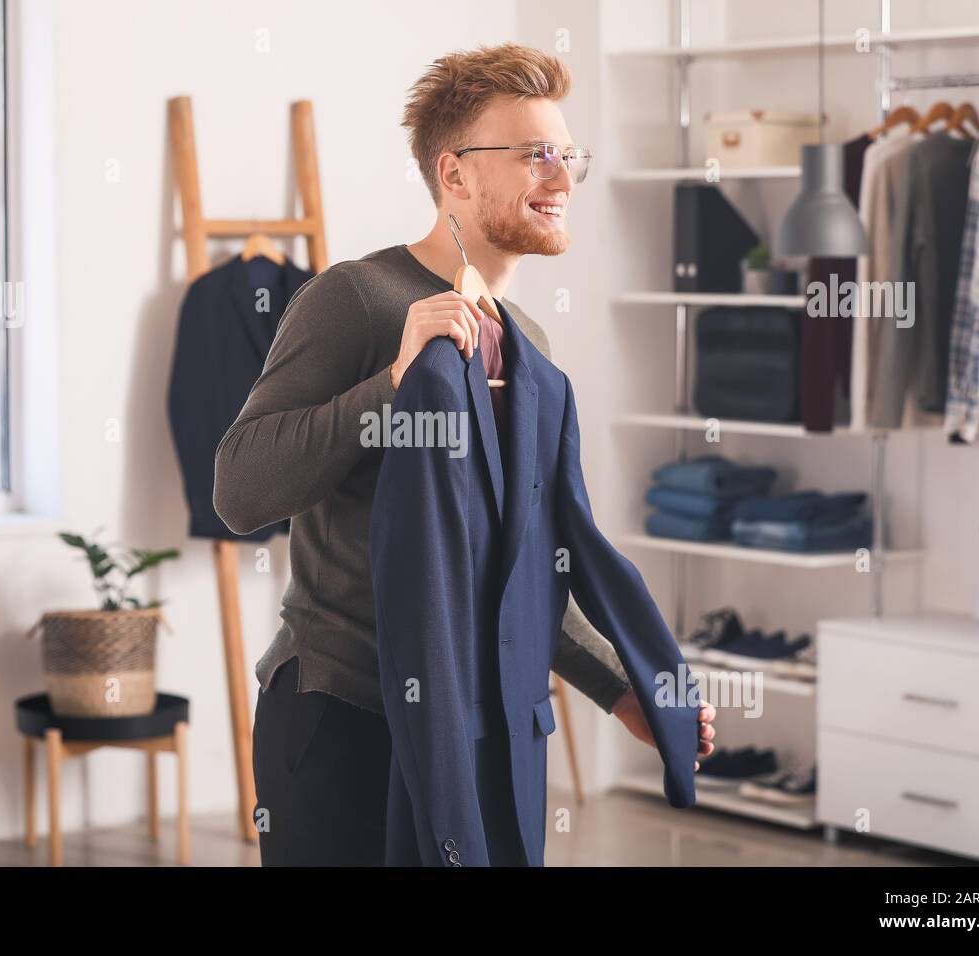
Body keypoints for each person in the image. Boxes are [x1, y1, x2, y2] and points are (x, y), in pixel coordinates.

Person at [214, 42, 715, 866]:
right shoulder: (355, 300)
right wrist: (390, 383)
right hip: (343, 722)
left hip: (479, 730)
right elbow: (240, 488)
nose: (560, 179)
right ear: (454, 175)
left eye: (567, 157)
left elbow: (518, 573)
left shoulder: (532, 353)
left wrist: (622, 690)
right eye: (533, 156)